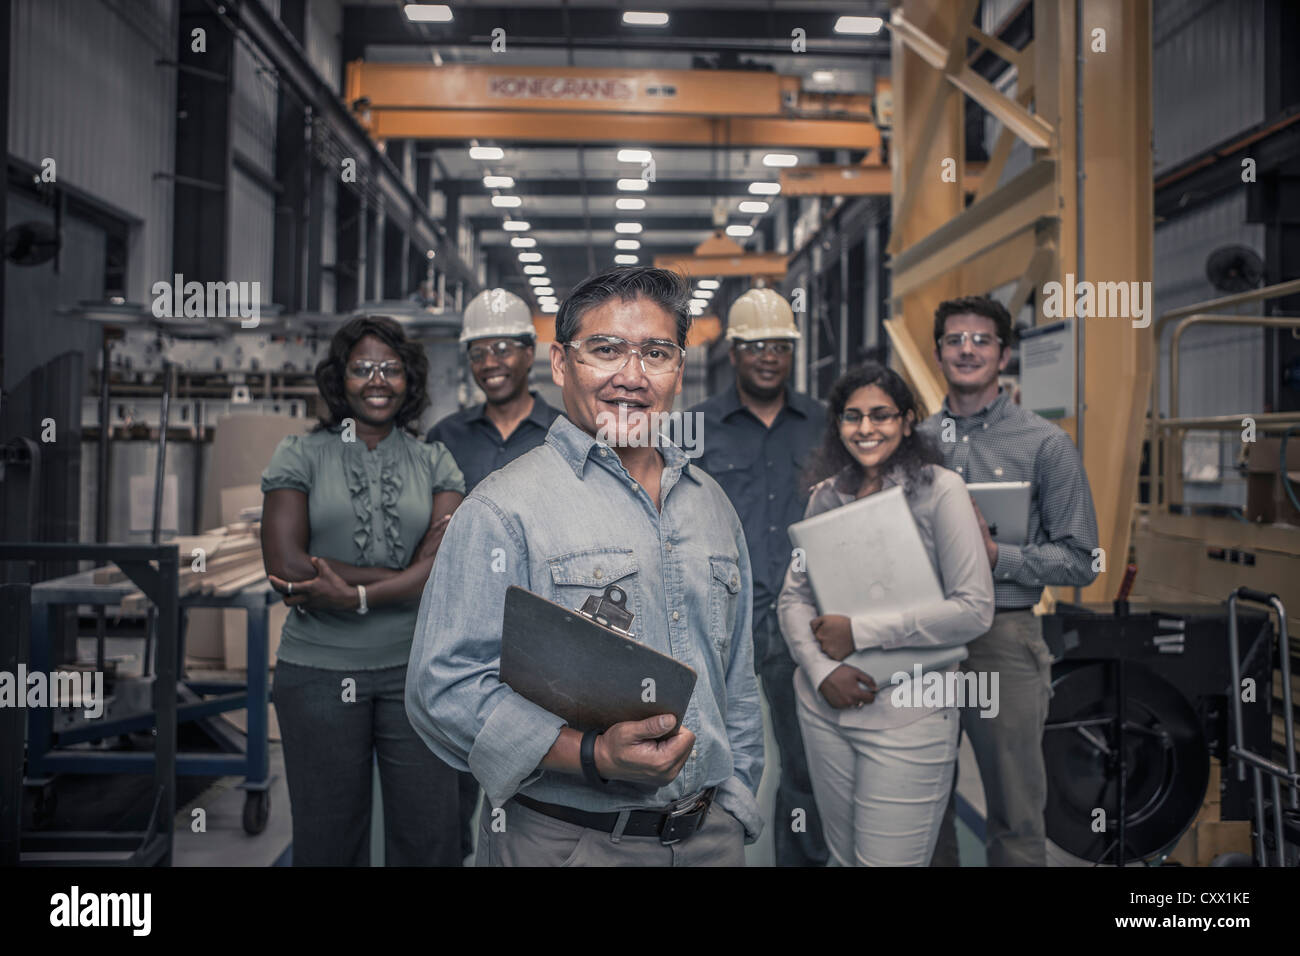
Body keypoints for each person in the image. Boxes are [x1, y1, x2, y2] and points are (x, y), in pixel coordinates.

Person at [406, 266, 765, 866]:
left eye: (656, 352)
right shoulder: (504, 508)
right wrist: (591, 754)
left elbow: (736, 678)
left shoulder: (711, 505)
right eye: (605, 350)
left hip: (710, 839)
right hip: (572, 841)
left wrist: (736, 796)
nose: (631, 375)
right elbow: (442, 688)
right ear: (561, 363)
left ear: (679, 370)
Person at [259, 315, 466, 866]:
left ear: (410, 380)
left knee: (431, 840)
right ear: (340, 379)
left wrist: (351, 592)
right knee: (329, 843)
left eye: (391, 369)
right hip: (320, 677)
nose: (378, 380)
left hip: (418, 672)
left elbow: (448, 568)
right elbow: (285, 564)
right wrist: (406, 577)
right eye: (362, 368)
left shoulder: (435, 460)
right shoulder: (297, 455)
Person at [777, 363, 994, 866]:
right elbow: (793, 599)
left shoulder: (942, 491)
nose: (866, 428)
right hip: (825, 708)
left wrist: (860, 633)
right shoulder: (825, 496)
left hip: (910, 716)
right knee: (843, 860)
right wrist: (822, 668)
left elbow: (974, 610)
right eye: (852, 417)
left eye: (881, 415)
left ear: (907, 419)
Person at [920, 295, 1099, 867]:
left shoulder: (1045, 445)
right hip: (922, 640)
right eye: (954, 339)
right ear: (938, 352)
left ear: (1004, 353)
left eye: (982, 340)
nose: (967, 349)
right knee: (923, 803)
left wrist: (998, 557)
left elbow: (1081, 559)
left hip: (1004, 637)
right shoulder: (912, 444)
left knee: (1017, 810)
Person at [690, 287, 828, 867]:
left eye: (780, 345)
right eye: (755, 346)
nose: (768, 356)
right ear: (734, 353)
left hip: (806, 617)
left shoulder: (823, 423)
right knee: (707, 758)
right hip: (724, 620)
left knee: (806, 764)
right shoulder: (694, 427)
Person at [425, 287, 562, 859]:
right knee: (453, 773)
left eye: (503, 348)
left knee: (534, 773)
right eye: (479, 351)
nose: (491, 362)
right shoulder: (446, 437)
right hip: (465, 626)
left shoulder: (564, 434)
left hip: (544, 631)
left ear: (530, 353)